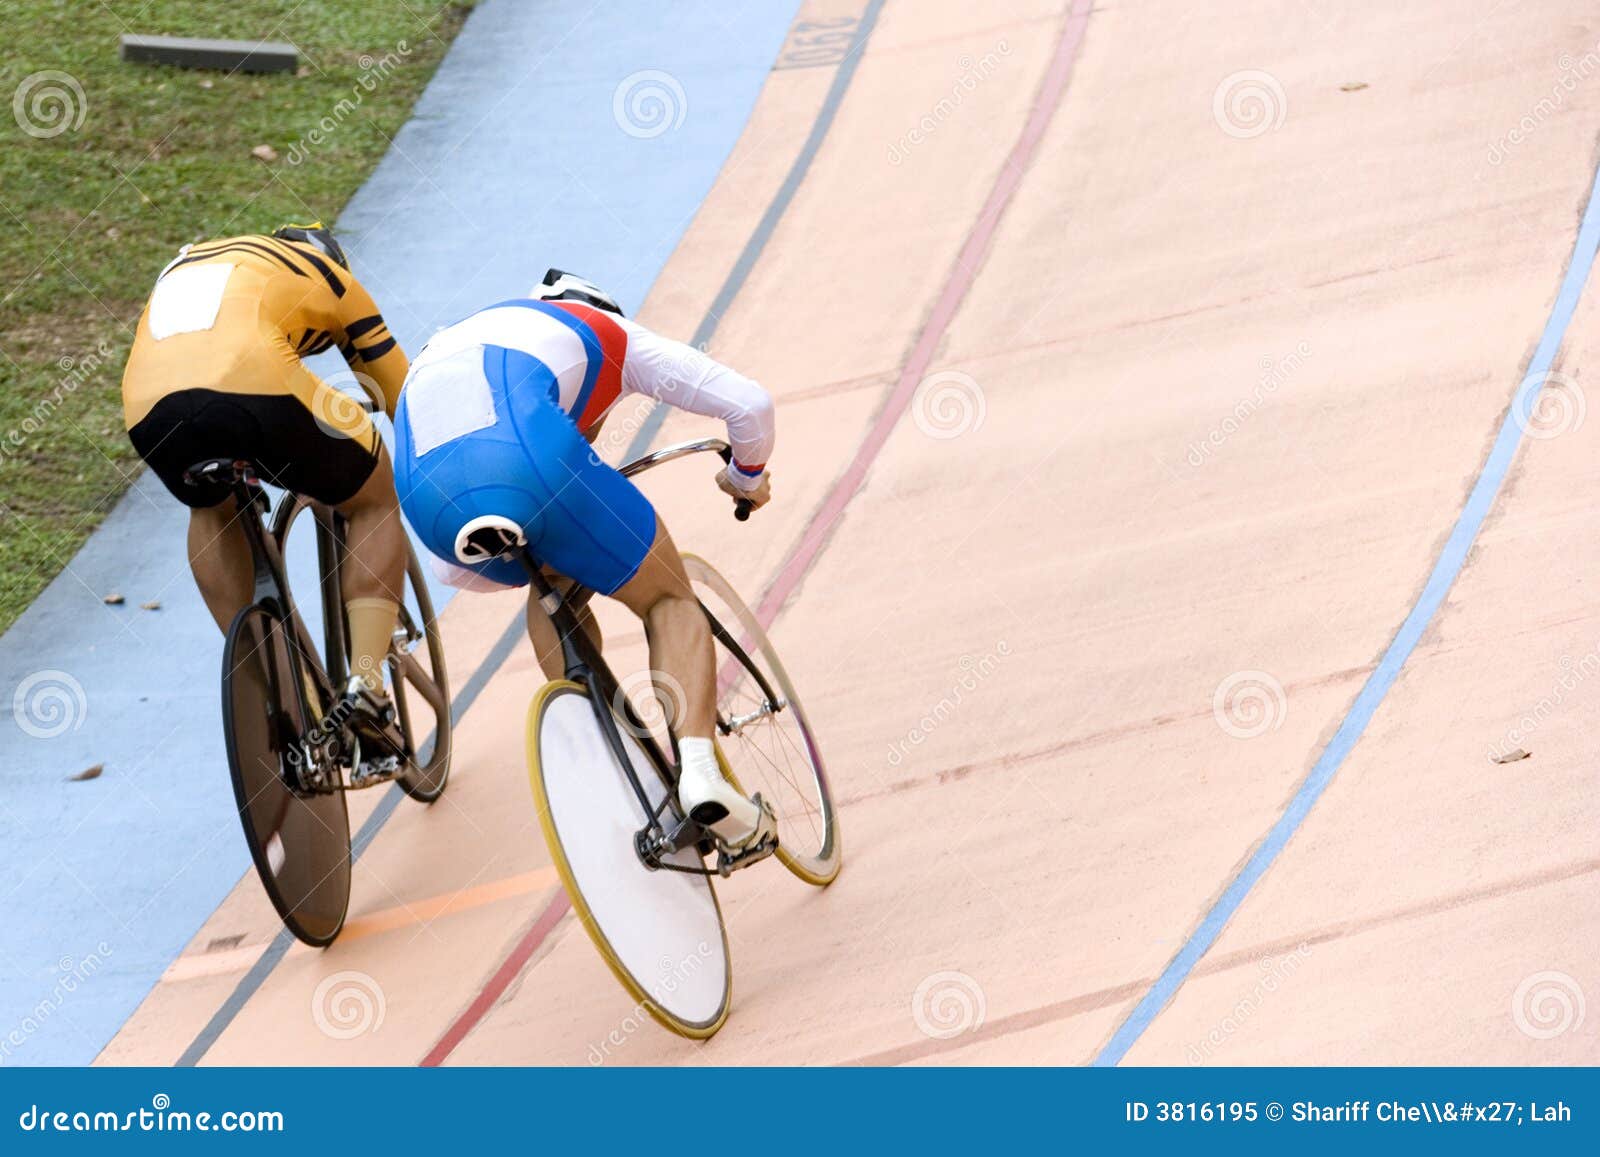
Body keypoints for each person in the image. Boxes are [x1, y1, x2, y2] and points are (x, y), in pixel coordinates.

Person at [392, 269, 775, 849]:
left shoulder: (447, 346)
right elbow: (750, 405)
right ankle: (699, 774)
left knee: (545, 583)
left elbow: (453, 574)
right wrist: (745, 474)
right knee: (667, 597)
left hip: (432, 511)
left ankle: (616, 766)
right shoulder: (610, 332)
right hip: (535, 461)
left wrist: (553, 554)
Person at [121, 223, 410, 731]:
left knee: (210, 506)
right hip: (257, 382)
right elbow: (400, 395)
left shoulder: (187, 260)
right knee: (372, 495)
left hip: (148, 406)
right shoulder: (330, 274)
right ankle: (367, 684)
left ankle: (281, 693)